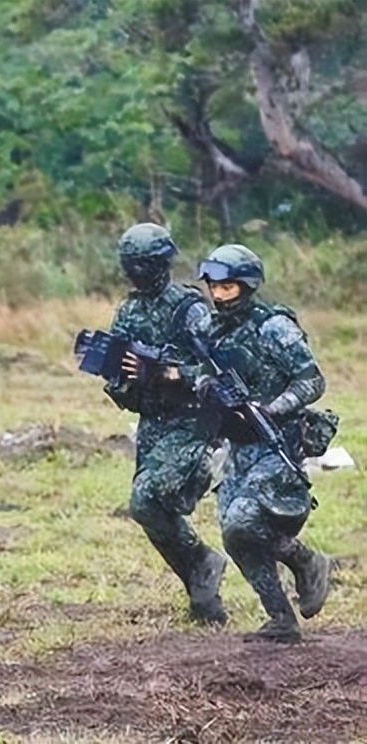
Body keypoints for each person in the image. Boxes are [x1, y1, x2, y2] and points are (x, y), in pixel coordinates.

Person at [194, 244, 331, 643]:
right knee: (232, 534)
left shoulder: (274, 328)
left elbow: (312, 380)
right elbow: (202, 374)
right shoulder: (211, 330)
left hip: (277, 445)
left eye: (228, 288)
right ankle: (281, 620)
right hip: (236, 448)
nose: (218, 296)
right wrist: (207, 387)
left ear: (247, 287)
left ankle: (304, 561)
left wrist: (273, 407)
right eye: (214, 288)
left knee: (243, 520)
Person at [104, 223, 228, 624]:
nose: (136, 272)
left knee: (147, 499)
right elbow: (117, 375)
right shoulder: (129, 311)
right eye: (131, 265)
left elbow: (218, 369)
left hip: (190, 422)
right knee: (147, 509)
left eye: (144, 264)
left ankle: (203, 568)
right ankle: (202, 581)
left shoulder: (188, 309)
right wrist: (121, 379)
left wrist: (167, 372)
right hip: (153, 423)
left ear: (162, 263)